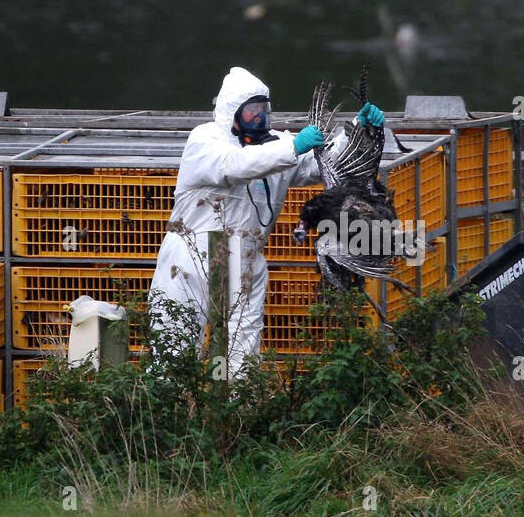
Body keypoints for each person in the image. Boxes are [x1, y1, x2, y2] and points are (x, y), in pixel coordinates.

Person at [148, 66, 383, 377]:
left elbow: (321, 165)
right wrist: (293, 147)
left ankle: (235, 418)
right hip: (191, 261)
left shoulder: (276, 146)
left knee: (241, 356)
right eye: (251, 111)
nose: (259, 118)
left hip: (246, 261)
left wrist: (357, 129)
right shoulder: (205, 140)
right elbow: (235, 166)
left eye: (264, 110)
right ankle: (165, 419)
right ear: (233, 113)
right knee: (174, 351)